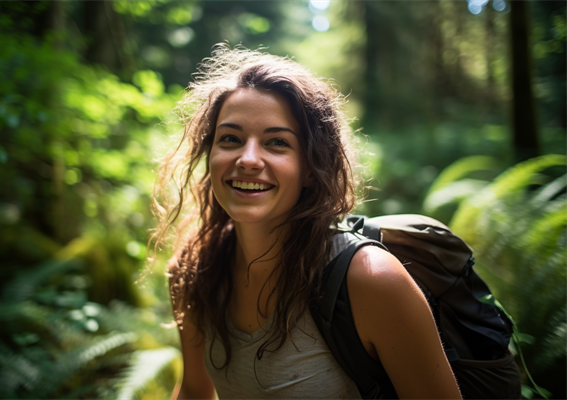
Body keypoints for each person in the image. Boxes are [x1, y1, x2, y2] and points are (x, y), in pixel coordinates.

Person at [150, 44, 462, 400]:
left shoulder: (371, 281)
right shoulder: (194, 270)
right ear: (211, 156)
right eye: (231, 139)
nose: (248, 159)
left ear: (311, 170)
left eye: (277, 143)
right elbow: (194, 391)